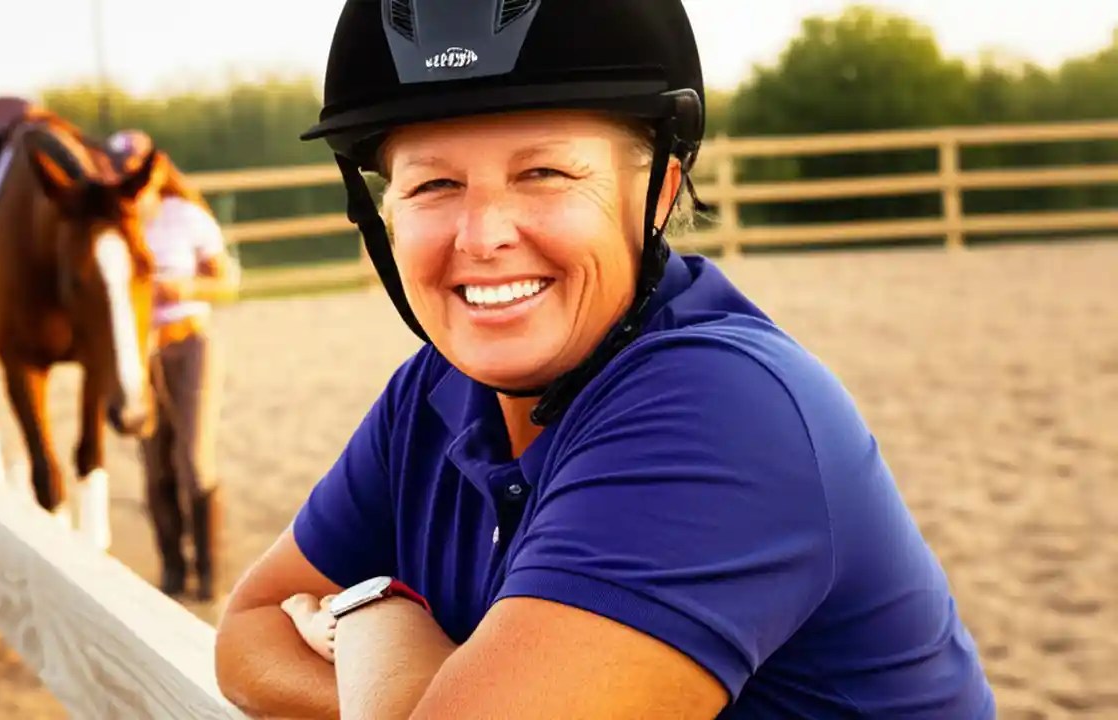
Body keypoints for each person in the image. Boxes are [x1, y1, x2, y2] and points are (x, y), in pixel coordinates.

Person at [214, 1, 996, 718]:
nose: (482, 235)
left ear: (657, 195)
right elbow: (246, 633)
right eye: (434, 184)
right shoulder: (437, 393)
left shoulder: (723, 409)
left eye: (544, 173)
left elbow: (300, 631)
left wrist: (371, 611)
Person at [108, 129, 239, 602]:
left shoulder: (185, 217)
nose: (130, 177)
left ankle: (209, 571)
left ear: (155, 168)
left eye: (136, 167)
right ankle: (172, 568)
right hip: (138, 353)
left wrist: (186, 290)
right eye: (119, 167)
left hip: (189, 345)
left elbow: (226, 283)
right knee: (153, 465)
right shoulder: (110, 223)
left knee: (193, 458)